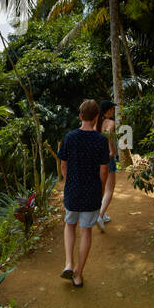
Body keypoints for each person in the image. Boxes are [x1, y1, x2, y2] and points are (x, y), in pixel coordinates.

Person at [57, 99, 111, 288]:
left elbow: (63, 165)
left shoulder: (70, 137)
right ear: (97, 117)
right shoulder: (101, 140)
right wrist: (101, 189)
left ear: (80, 116)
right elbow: (104, 171)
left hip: (73, 190)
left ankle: (68, 263)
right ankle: (78, 274)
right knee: (85, 231)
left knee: (69, 224)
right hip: (92, 192)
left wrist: (69, 180)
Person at [94, 100, 118, 230]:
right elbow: (107, 135)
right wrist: (112, 151)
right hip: (107, 158)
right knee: (109, 189)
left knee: (100, 188)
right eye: (112, 110)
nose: (113, 112)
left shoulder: (94, 122)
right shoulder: (110, 123)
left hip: (95, 160)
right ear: (108, 110)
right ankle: (100, 215)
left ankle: (101, 214)